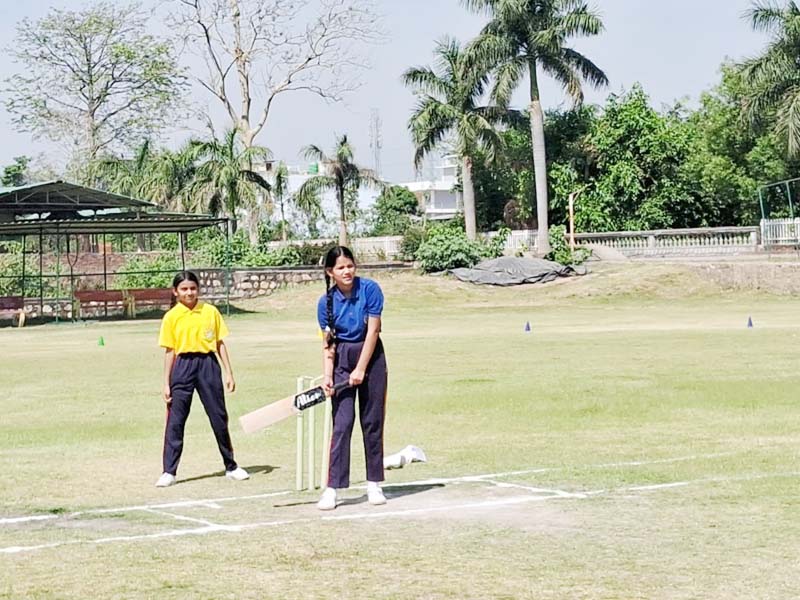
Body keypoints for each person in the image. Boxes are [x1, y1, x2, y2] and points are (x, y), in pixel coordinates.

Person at [155, 271, 249, 487]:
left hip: (208, 365)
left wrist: (229, 372)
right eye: (184, 289)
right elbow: (169, 351)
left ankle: (231, 466)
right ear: (176, 292)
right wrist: (166, 382)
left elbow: (219, 343)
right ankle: (169, 471)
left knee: (218, 417)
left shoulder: (210, 312)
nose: (189, 293)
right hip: (183, 367)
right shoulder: (171, 316)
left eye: (193, 288)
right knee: (176, 421)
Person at [316, 246, 388, 510]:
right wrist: (327, 376)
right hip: (342, 361)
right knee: (342, 424)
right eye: (340, 268)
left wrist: (361, 368)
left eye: (350, 266)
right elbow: (328, 344)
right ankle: (332, 489)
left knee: (372, 422)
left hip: (371, 358)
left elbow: (373, 331)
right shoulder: (326, 303)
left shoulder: (369, 289)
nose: (346, 271)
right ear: (330, 272)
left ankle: (374, 484)